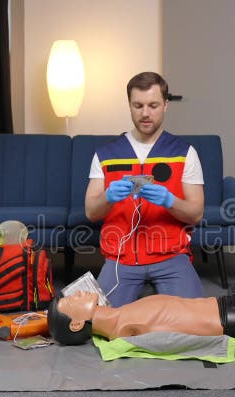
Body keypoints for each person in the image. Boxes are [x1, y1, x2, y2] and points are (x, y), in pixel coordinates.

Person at [84, 72, 205, 307]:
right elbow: (91, 211)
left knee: (194, 320)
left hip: (170, 255)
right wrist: (107, 197)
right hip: (122, 259)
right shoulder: (106, 154)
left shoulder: (185, 153)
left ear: (166, 105)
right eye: (138, 105)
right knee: (100, 321)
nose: (145, 113)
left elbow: (196, 213)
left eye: (153, 105)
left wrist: (170, 201)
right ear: (129, 105)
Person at [48, 290, 235, 348]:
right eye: (72, 300)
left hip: (220, 306)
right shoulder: (125, 329)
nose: (78, 292)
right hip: (224, 320)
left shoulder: (122, 315)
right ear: (76, 324)